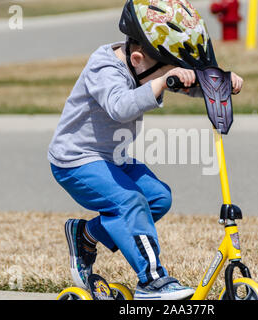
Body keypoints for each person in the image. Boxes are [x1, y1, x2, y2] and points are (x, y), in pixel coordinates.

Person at [48, 0, 243, 300]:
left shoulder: (145, 65)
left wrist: (219, 83)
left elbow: (185, 83)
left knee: (158, 198)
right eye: (166, 71)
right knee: (129, 202)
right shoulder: (103, 67)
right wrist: (163, 81)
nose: (171, 77)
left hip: (113, 159)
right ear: (138, 58)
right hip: (76, 160)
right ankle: (152, 281)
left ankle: (85, 236)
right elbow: (119, 107)